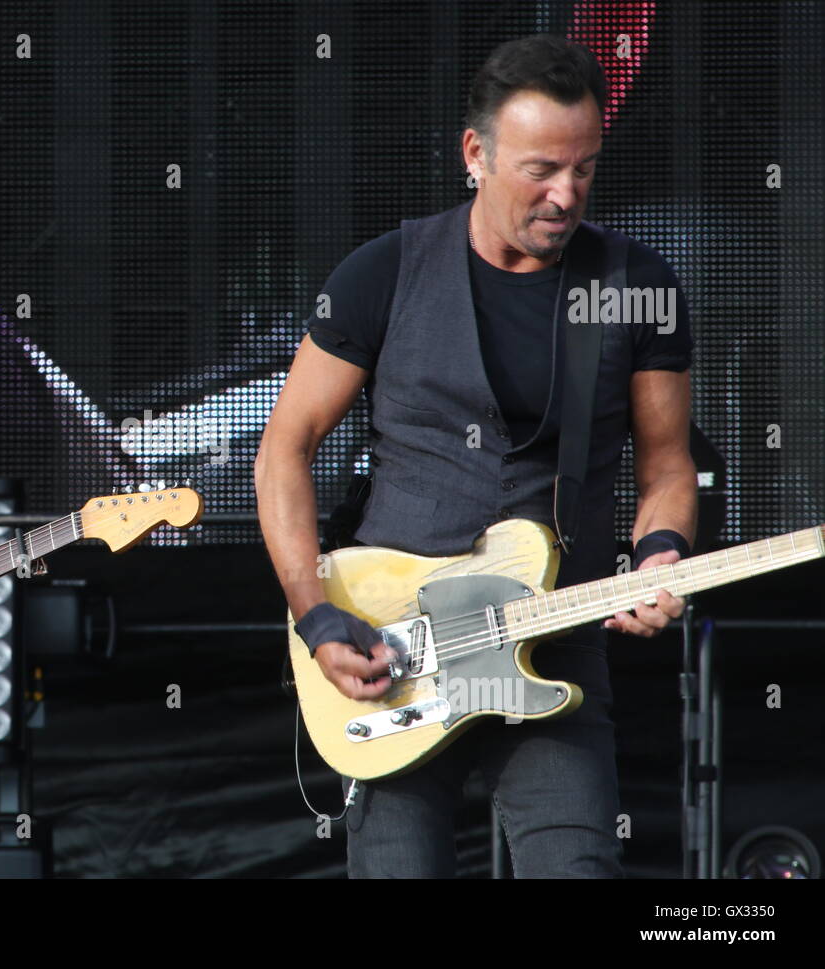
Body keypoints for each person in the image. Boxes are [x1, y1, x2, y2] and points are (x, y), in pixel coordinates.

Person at [255, 35, 696, 877]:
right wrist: (315, 615)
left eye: (585, 169)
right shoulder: (382, 272)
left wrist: (659, 553)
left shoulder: (637, 285)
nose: (565, 194)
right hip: (396, 641)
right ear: (475, 154)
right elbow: (286, 446)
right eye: (540, 170)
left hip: (552, 629)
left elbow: (667, 464)